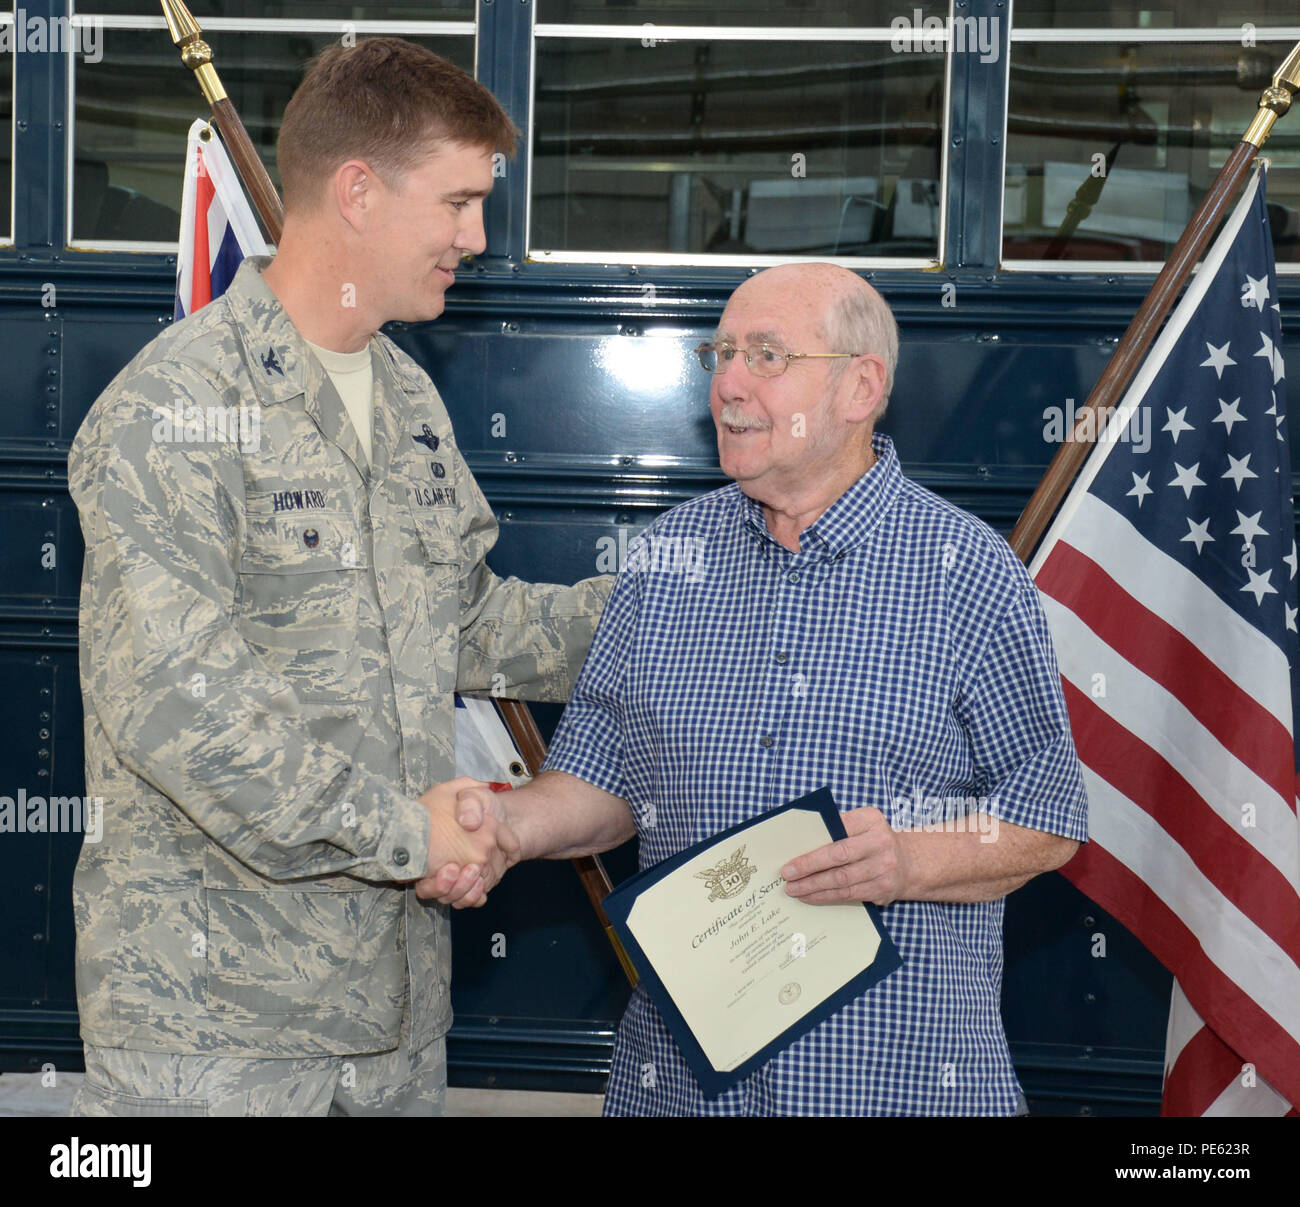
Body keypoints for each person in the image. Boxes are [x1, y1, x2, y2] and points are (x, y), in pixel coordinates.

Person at [67, 38, 605, 1117]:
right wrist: (417, 836)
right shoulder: (174, 408)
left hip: (396, 1020)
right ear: (357, 190)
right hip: (218, 1032)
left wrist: (685, 607)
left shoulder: (406, 398)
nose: (476, 237)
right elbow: (185, 711)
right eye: (456, 201)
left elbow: (468, 623)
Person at [421, 262, 1089, 1116]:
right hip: (685, 1089)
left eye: (767, 355)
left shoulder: (968, 574)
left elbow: (1048, 815)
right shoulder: (668, 558)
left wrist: (909, 857)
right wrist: (505, 826)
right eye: (722, 352)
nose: (728, 382)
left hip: (896, 1086)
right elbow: (608, 780)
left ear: (860, 385)